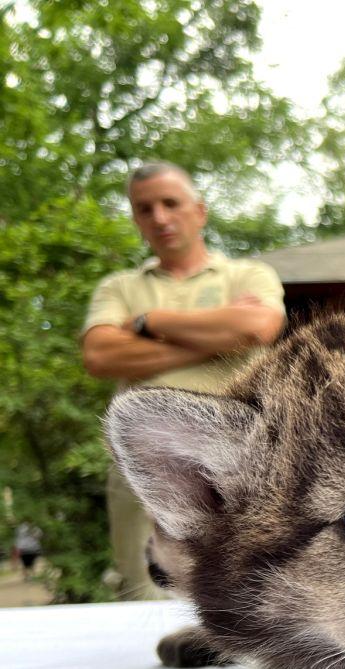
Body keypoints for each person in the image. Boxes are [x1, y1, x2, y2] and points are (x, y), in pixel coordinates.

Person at [81, 161, 286, 601]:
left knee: (258, 586)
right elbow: (99, 354)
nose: (159, 217)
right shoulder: (118, 287)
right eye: (145, 208)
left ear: (200, 211)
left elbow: (260, 326)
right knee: (147, 588)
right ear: (135, 219)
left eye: (170, 203)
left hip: (245, 461)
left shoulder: (248, 275)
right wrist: (214, 338)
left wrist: (149, 321)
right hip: (148, 460)